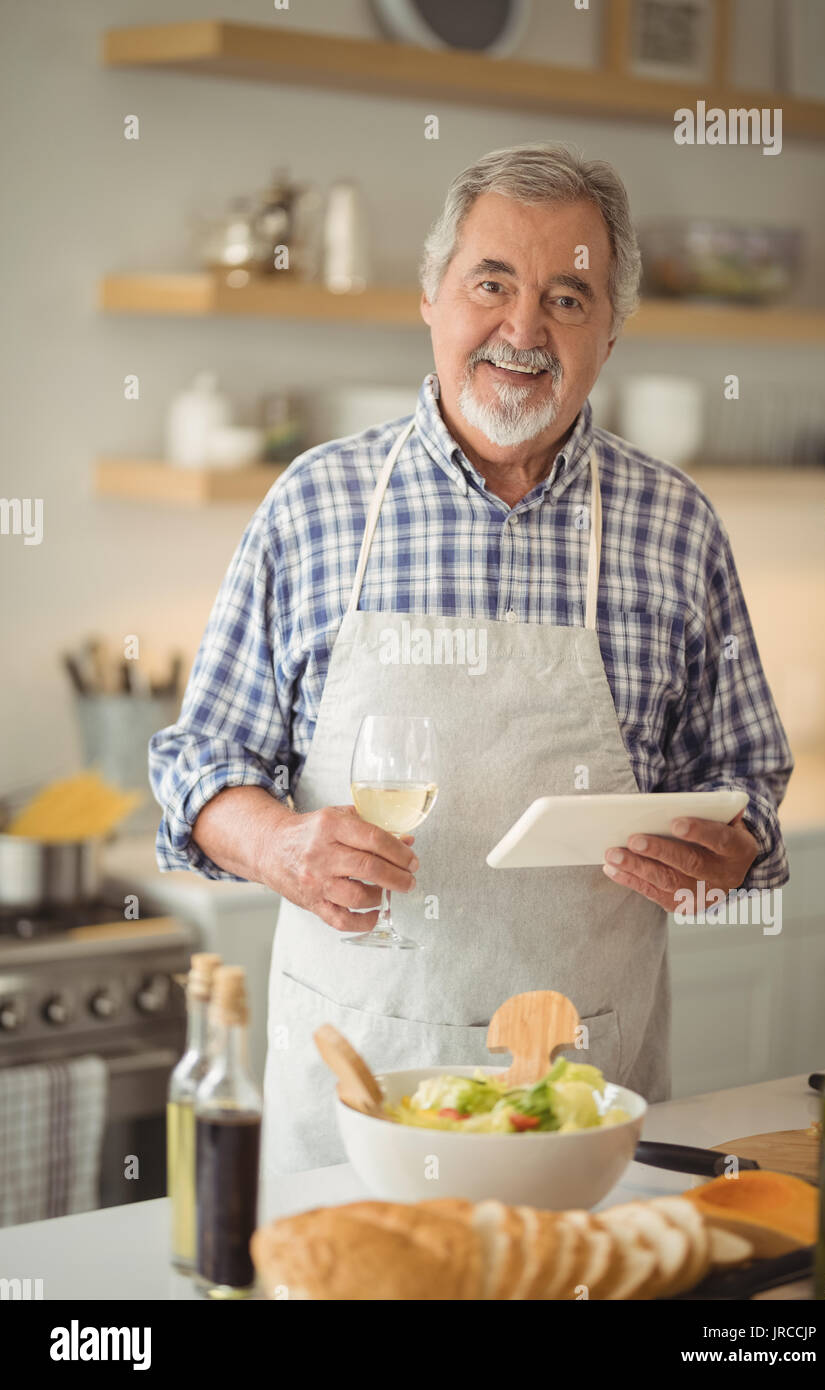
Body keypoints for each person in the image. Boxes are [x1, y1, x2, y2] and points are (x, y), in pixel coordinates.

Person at [149, 143, 792, 1174]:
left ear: (611, 330)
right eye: (490, 283)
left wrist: (732, 850)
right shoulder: (313, 506)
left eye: (568, 296)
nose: (522, 330)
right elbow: (197, 763)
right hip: (353, 1109)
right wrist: (276, 845)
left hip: (584, 1110)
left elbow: (748, 781)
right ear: (430, 297)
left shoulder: (675, 527)